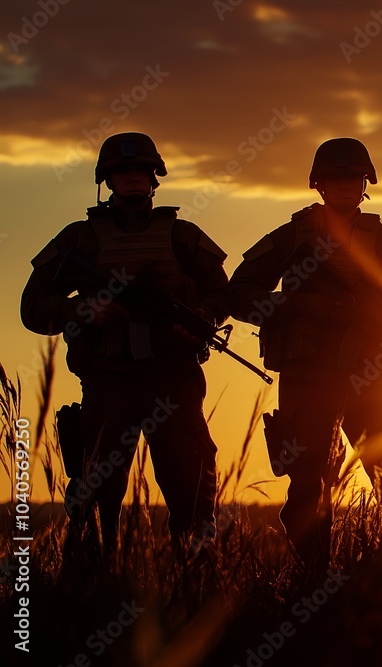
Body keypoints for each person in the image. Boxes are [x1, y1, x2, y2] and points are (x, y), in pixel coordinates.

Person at [226, 138, 382, 566]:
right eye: (335, 177)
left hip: (368, 378)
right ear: (319, 184)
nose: (345, 185)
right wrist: (305, 306)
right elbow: (239, 294)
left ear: (365, 184)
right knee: (311, 483)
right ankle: (312, 578)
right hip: (308, 379)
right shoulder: (293, 237)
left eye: (353, 178)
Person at [20, 132, 227, 563]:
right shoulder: (80, 239)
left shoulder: (183, 236)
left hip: (174, 379)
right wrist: (83, 310)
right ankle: (91, 584)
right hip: (108, 379)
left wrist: (202, 317)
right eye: (123, 171)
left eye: (141, 171)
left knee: (191, 482)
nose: (133, 178)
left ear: (154, 178)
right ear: (107, 180)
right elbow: (32, 306)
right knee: (96, 493)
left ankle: (199, 580)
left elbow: (224, 294)